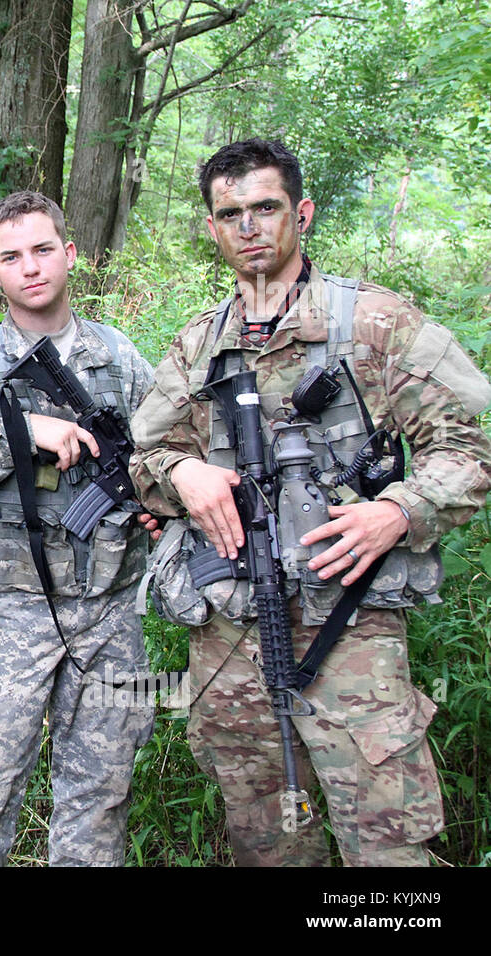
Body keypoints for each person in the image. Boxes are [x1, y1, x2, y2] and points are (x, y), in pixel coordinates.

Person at [129, 138, 491, 866]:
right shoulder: (197, 346)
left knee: (385, 835)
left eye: (266, 208)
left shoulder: (376, 325)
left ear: (302, 212)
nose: (249, 227)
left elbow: (469, 446)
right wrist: (183, 477)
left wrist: (401, 509)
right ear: (211, 228)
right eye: (230, 214)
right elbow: (138, 457)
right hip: (232, 624)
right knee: (264, 831)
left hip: (349, 624)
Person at [0, 191, 158, 866]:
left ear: (70, 255)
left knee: (99, 797)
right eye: (11, 256)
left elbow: (167, 453)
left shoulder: (120, 358)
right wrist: (20, 434)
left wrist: (159, 503)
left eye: (44, 250)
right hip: (8, 612)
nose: (31, 268)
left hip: (111, 614)